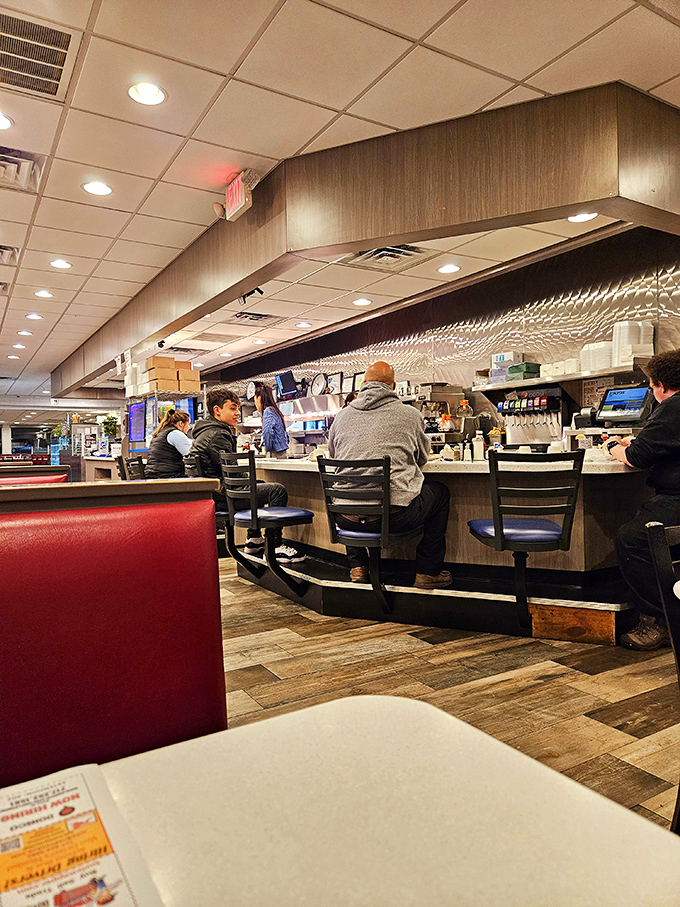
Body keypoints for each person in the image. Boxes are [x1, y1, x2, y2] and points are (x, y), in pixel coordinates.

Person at [328, 360, 451, 589]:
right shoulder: (410, 415)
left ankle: (358, 566)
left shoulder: (342, 416)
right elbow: (422, 459)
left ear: (363, 384)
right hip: (394, 518)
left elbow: (334, 457)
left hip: (344, 518)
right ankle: (427, 572)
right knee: (440, 493)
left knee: (349, 495)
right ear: (393, 386)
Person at [609, 349, 680, 650]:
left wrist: (614, 445)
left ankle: (661, 621)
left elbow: (636, 458)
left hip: (677, 499)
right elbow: (662, 442)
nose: (652, 391)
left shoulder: (673, 406)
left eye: (651, 386)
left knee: (632, 538)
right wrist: (636, 441)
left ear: (661, 385)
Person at [191, 386, 303, 563]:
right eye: (232, 408)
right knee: (277, 491)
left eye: (237, 408)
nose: (237, 413)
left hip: (213, 495)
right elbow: (233, 478)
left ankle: (254, 539)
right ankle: (274, 546)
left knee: (258, 481)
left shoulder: (206, 432)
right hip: (223, 499)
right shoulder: (218, 435)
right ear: (217, 411)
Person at [144, 408, 191, 478]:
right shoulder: (175, 433)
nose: (189, 427)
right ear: (181, 423)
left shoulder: (160, 433)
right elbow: (190, 455)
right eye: (188, 424)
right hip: (167, 476)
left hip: (154, 475)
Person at [255, 384, 289, 459]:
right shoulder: (275, 411)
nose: (255, 404)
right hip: (282, 452)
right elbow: (286, 434)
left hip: (275, 454)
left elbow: (267, 431)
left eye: (255, 400)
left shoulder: (268, 411)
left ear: (259, 398)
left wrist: (268, 449)